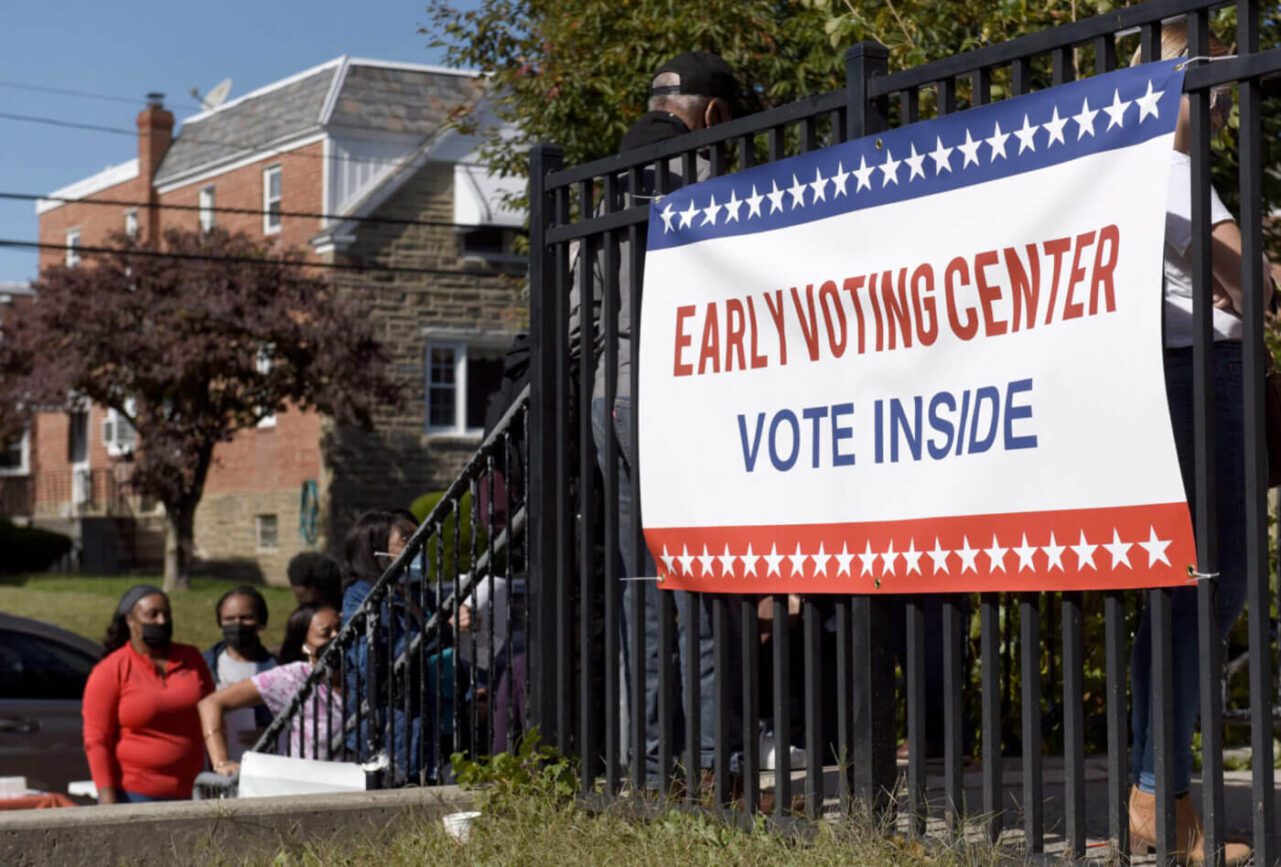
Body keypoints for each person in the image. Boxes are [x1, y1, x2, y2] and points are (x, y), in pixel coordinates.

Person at [1127, 22, 1272, 865]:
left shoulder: (1128, 166)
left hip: (1177, 372)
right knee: (1215, 584)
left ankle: (1158, 787)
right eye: (1207, 75)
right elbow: (1246, 282)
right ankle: (1158, 791)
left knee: (1181, 593)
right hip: (1201, 373)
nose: (1220, 98)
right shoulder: (1170, 165)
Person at [580, 50, 743, 794]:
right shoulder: (699, 175)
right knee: (705, 585)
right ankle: (717, 766)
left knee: (640, 591)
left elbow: (581, 312)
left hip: (608, 392)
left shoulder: (602, 181)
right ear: (712, 115)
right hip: (675, 394)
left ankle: (644, 771)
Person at [82, 585, 214, 803]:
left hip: (191, 791)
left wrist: (218, 768)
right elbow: (96, 740)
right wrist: (106, 797)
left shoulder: (192, 659)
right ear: (131, 621)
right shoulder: (111, 669)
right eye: (152, 615)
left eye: (166, 614)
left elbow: (212, 714)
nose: (162, 621)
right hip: (134, 793)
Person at [198, 603, 341, 772]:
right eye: (325, 634)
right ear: (305, 645)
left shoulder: (361, 676)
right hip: (304, 788)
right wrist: (221, 763)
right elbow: (210, 703)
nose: (338, 637)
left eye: (341, 628)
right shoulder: (294, 678)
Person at [202, 586, 276, 762]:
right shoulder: (204, 665)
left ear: (260, 622)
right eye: (229, 619)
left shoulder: (276, 670)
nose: (237, 624)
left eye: (246, 618)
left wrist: (272, 733)